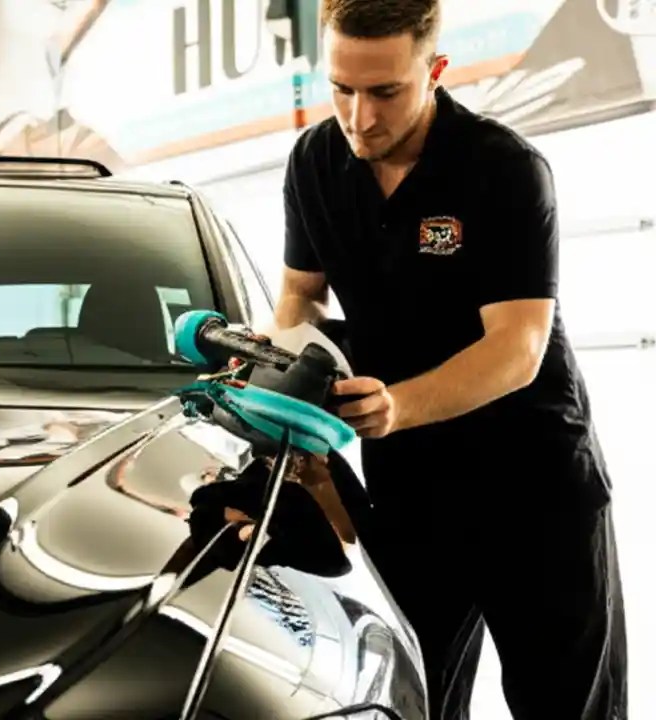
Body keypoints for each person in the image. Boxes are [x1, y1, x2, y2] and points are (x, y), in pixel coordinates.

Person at [274, 1, 628, 718]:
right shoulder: (314, 162)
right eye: (341, 88)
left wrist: (397, 404)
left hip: (536, 492)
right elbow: (299, 300)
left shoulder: (504, 170)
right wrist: (290, 379)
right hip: (410, 494)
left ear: (434, 71)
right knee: (411, 703)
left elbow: (518, 348)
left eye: (384, 93)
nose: (359, 117)